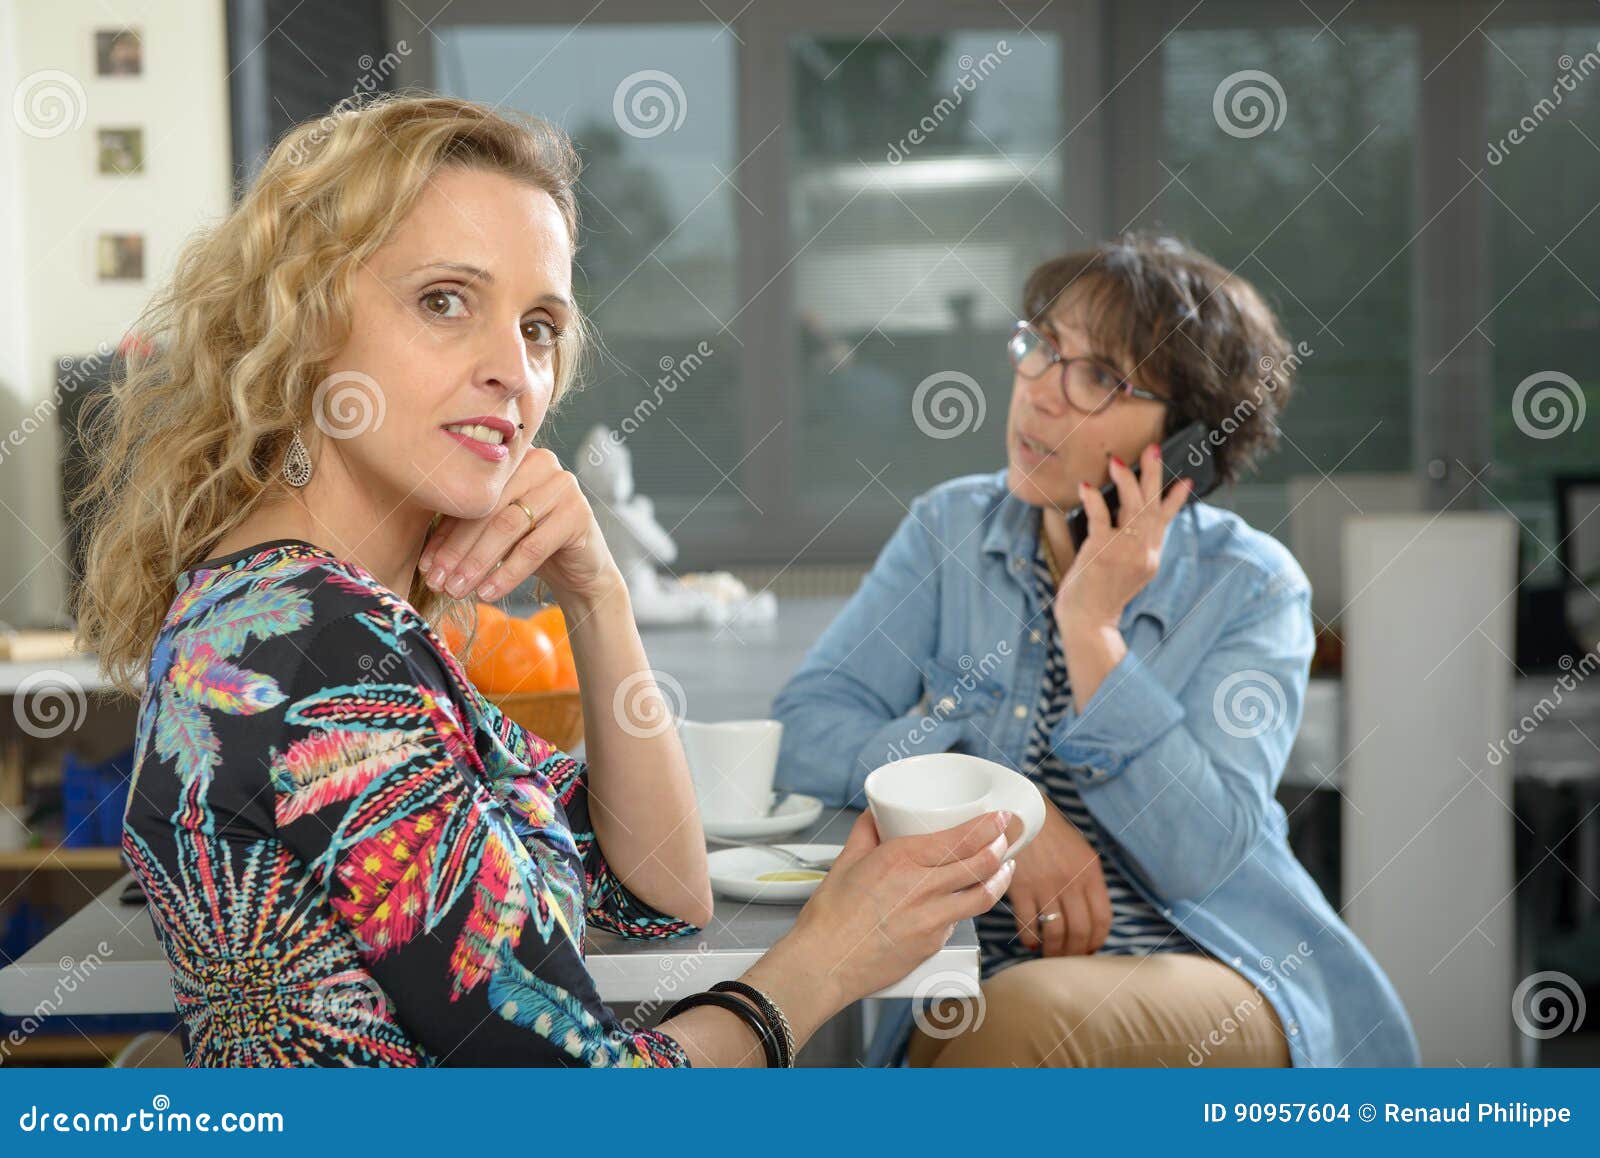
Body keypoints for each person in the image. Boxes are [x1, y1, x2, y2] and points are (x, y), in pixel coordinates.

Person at [74, 94, 1013, 1068]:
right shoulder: (321, 653)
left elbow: (657, 891)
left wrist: (597, 592)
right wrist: (826, 960)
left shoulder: (306, 615)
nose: (512, 372)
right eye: (445, 300)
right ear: (307, 321)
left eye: (537, 325)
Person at [771, 235, 1421, 1068]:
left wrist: (1093, 629)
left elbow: (1197, 857)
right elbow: (805, 728)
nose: (1040, 392)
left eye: (1099, 377)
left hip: (1212, 969)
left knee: (1019, 1020)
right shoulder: (950, 530)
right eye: (1041, 346)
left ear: (1184, 440)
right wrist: (995, 802)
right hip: (980, 973)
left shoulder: (1252, 587)